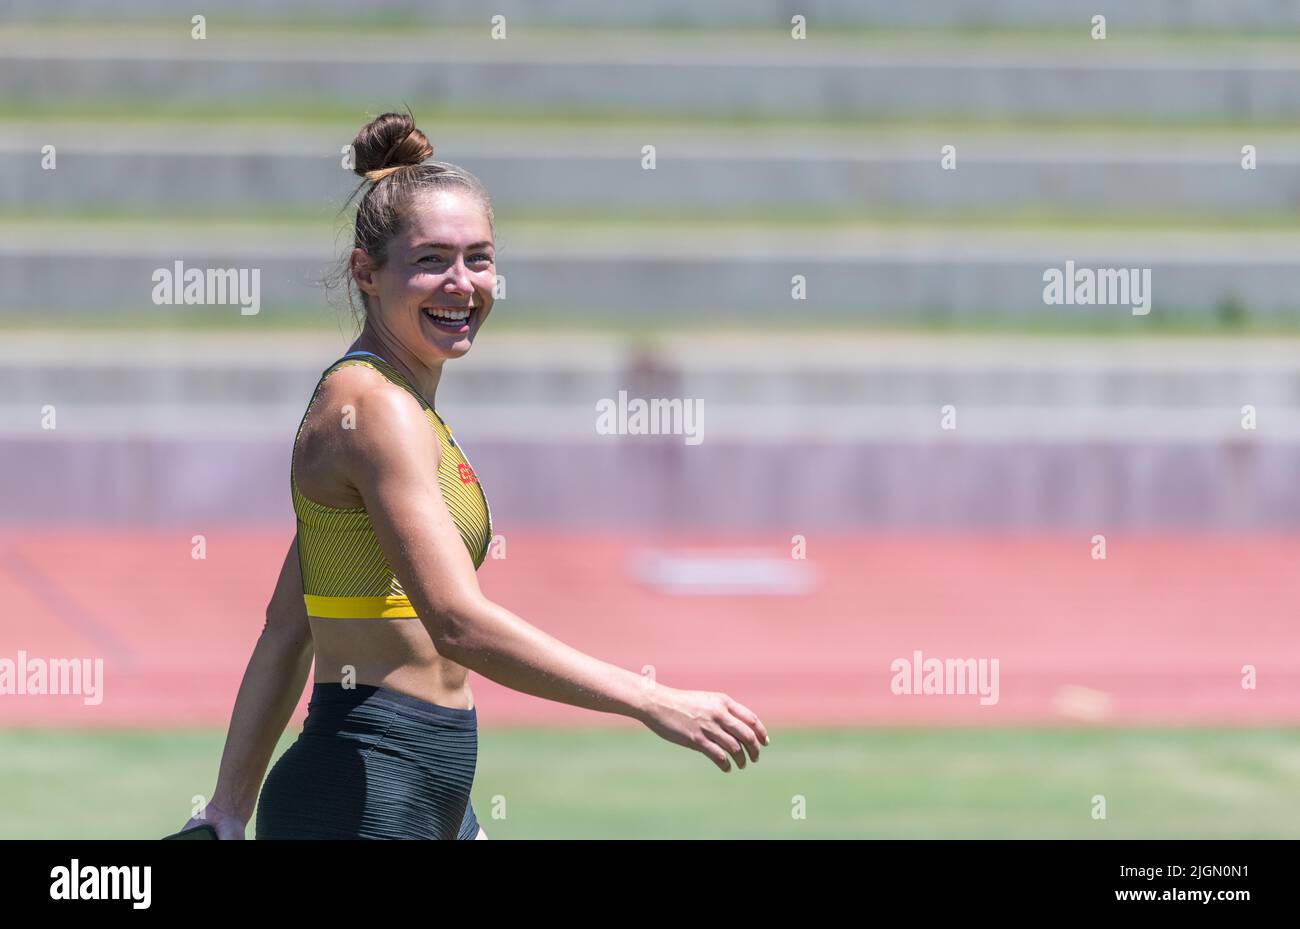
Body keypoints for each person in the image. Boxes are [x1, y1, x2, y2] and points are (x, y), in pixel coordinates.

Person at [182, 111, 769, 840]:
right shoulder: (372, 409)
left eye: (479, 258)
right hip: (361, 794)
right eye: (431, 260)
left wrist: (227, 812)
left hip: (420, 789)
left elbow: (288, 622)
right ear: (367, 272)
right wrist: (652, 699)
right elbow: (457, 623)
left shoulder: (398, 407)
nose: (461, 283)